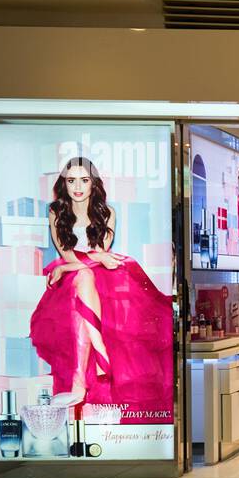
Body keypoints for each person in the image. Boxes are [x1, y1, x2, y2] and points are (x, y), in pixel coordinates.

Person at [31, 157, 172, 416]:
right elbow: (67, 252)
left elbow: (103, 254)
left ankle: (80, 379)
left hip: (96, 275)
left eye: (84, 180)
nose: (77, 187)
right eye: (71, 180)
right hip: (72, 276)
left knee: (86, 276)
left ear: (93, 183)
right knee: (83, 276)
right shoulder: (56, 211)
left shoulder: (107, 212)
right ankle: (100, 351)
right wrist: (66, 266)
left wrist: (75, 263)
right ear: (64, 183)